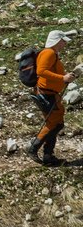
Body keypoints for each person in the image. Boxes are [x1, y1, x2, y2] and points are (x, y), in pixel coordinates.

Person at [29, 30, 75, 166]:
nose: (65, 43)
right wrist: (63, 78)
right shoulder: (48, 53)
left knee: (56, 123)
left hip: (49, 93)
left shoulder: (52, 53)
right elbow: (41, 71)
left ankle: (48, 156)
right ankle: (33, 149)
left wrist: (65, 79)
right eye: (63, 41)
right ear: (57, 41)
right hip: (47, 94)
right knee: (54, 123)